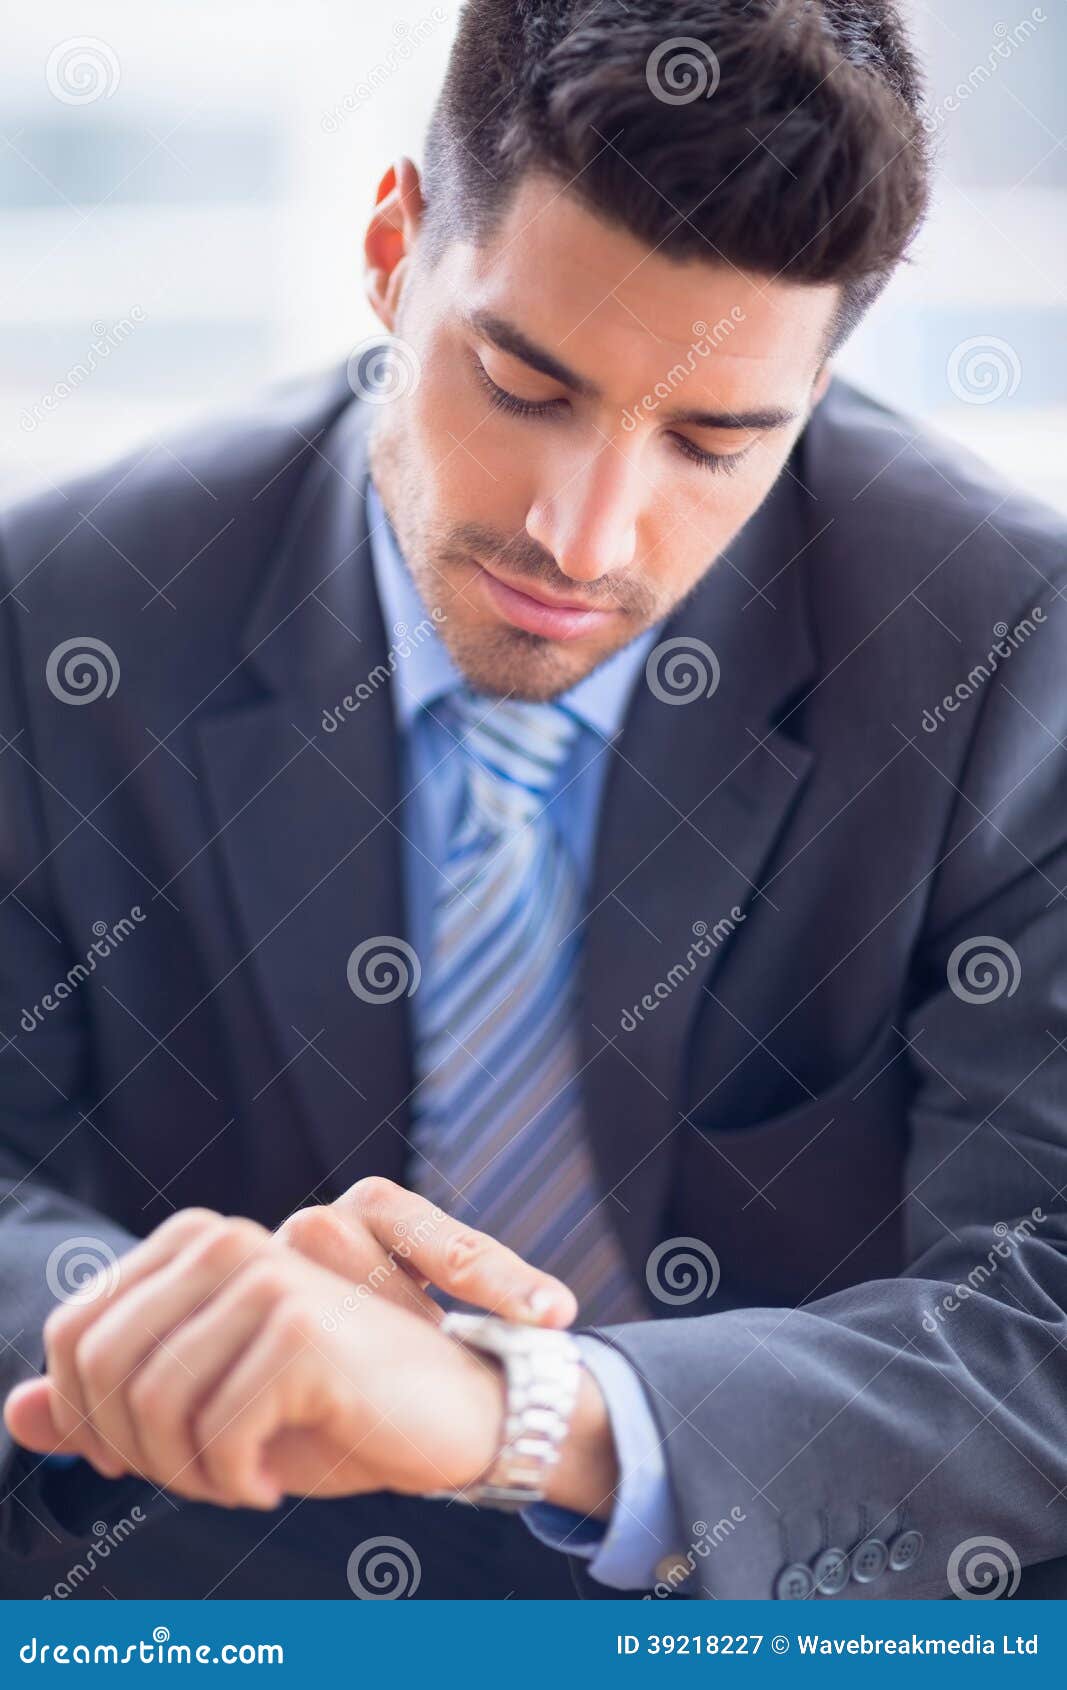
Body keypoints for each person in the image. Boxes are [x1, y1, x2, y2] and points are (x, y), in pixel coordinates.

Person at [2, 0, 1066, 1602]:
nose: (585, 535)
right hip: (239, 1586)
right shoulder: (68, 607)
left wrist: (515, 1413)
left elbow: (1038, 1309)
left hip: (779, 1595)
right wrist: (189, 1319)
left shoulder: (1004, 652)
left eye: (715, 440)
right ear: (391, 246)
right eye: (522, 383)